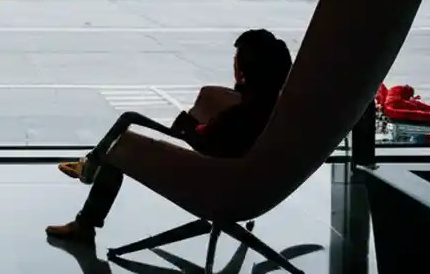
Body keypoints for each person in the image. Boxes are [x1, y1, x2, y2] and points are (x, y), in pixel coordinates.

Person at [45, 28, 293, 245]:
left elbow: (207, 140)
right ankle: (89, 171)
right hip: (232, 170)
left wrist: (188, 125)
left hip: (210, 172)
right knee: (127, 127)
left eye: (236, 61)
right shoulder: (269, 104)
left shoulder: (244, 114)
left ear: (244, 71)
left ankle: (86, 202)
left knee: (124, 134)